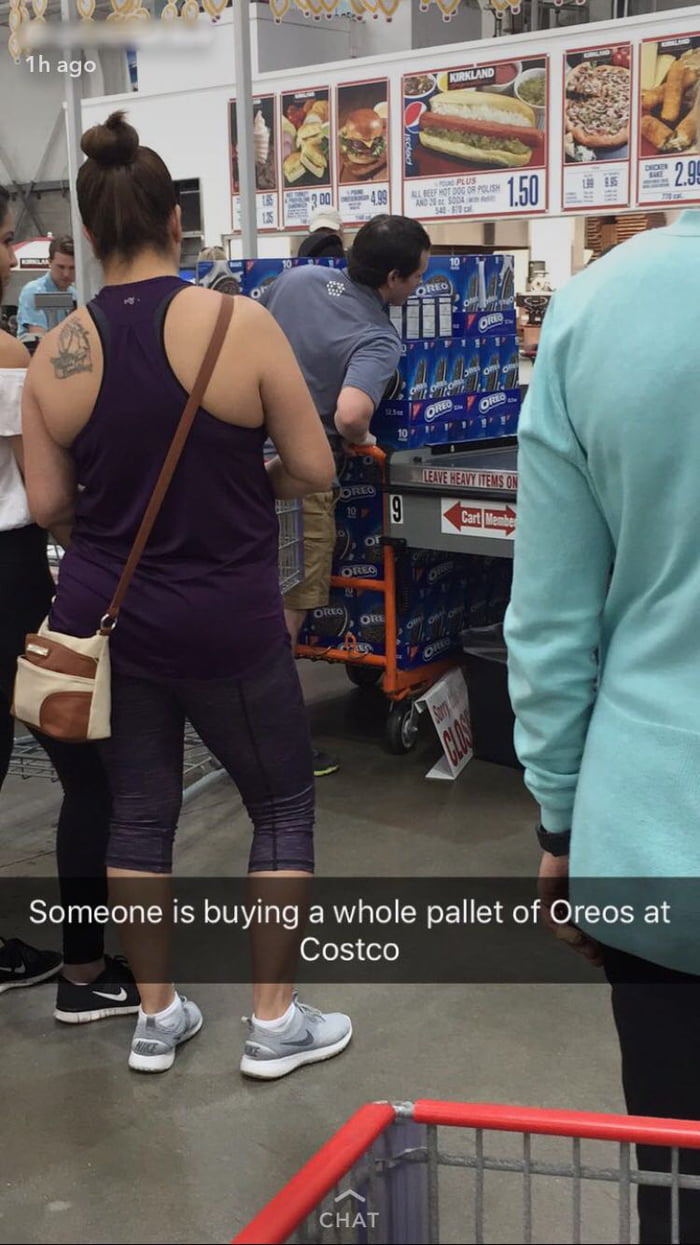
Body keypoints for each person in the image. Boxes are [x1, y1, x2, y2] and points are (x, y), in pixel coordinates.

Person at [21, 110, 350, 1078]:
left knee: (137, 811)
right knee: (280, 804)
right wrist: (245, 488)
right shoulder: (238, 324)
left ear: (88, 234)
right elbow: (313, 466)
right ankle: (273, 1023)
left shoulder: (55, 351)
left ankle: (156, 1014)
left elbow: (49, 504)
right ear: (177, 220)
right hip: (226, 613)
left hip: (111, 617)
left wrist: (116, 532)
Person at [504, 212, 700, 1243]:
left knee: (679, 1179)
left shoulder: (597, 310)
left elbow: (550, 620)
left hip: (658, 834)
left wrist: (561, 820)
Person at [0, 185, 137, 1017]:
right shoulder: (9, 359)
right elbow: (47, 496)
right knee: (87, 772)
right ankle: (85, 974)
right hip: (9, 576)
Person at [262, 213, 431, 776]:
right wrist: (364, 439)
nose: (419, 286)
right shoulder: (379, 337)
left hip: (237, 466)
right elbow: (350, 414)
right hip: (296, 475)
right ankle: (278, 746)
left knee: (247, 595)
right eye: (417, 276)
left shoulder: (299, 280)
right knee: (287, 607)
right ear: (392, 278)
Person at [17, 237, 76, 338]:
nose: (66, 274)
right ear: (49, 262)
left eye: (72, 268)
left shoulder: (75, 294)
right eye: (61, 267)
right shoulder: (33, 291)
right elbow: (39, 337)